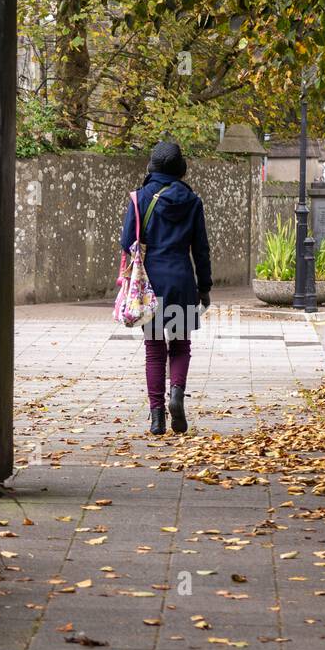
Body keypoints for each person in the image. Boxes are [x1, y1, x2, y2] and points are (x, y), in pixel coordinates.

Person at [120, 141, 212, 435]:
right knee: (181, 345)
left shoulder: (140, 198)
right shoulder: (193, 201)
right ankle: (177, 395)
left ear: (152, 167)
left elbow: (126, 242)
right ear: (180, 169)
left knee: (154, 349)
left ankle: (157, 415)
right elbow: (201, 250)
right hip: (182, 280)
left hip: (149, 281)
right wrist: (205, 287)